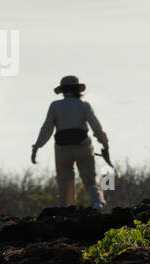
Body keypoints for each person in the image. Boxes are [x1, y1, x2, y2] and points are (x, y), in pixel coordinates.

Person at [31, 75, 108, 208]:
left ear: (62, 90)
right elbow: (96, 127)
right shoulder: (83, 105)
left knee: (65, 184)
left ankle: (66, 212)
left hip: (62, 149)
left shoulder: (55, 106)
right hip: (82, 146)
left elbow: (47, 129)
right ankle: (98, 204)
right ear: (77, 89)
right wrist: (104, 144)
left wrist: (36, 147)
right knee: (90, 182)